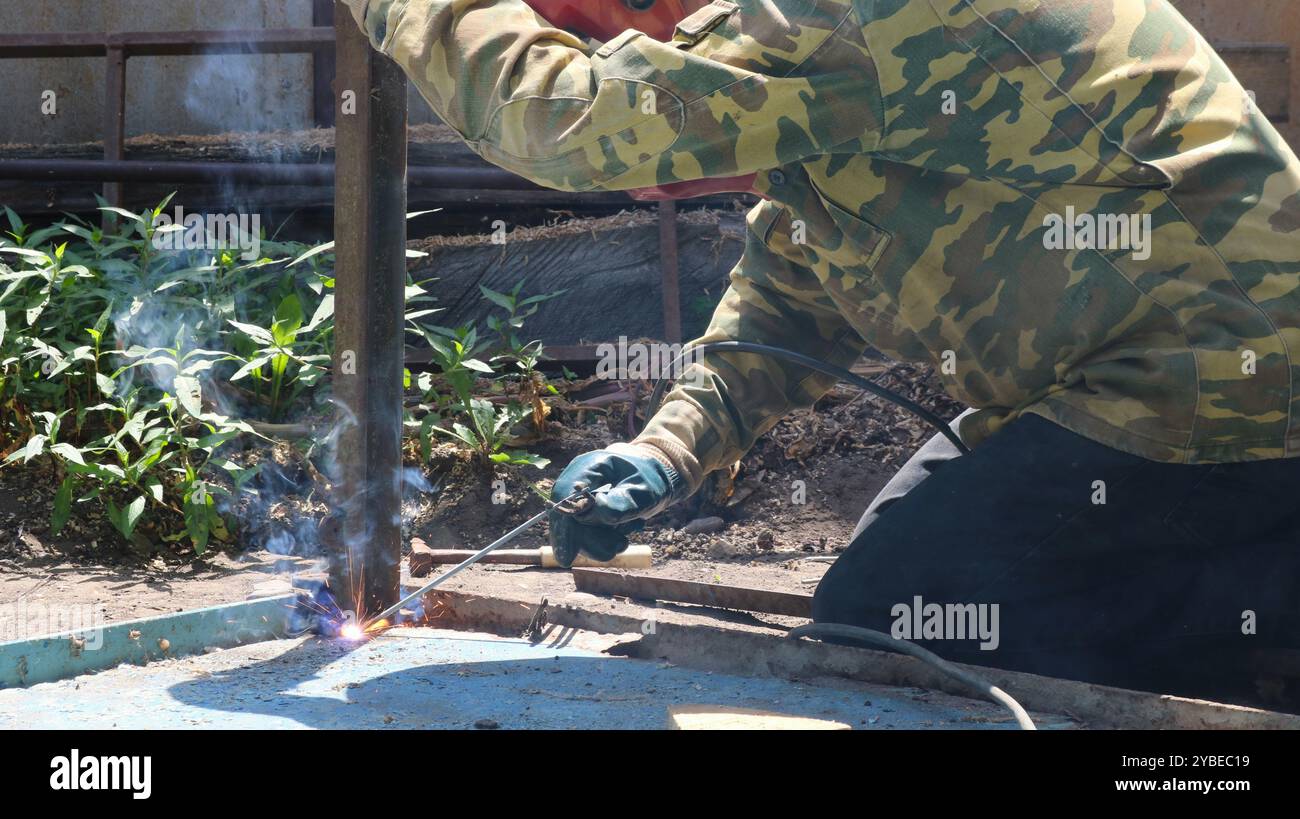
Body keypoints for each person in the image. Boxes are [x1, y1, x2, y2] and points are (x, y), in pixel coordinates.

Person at [342, 0, 1300, 694]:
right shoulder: (826, 101)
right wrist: (663, 451)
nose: (625, 69)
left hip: (1225, 380)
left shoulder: (836, 14)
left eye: (600, 42)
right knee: (891, 610)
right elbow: (787, 299)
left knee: (905, 613)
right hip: (1122, 387)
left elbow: (567, 122)